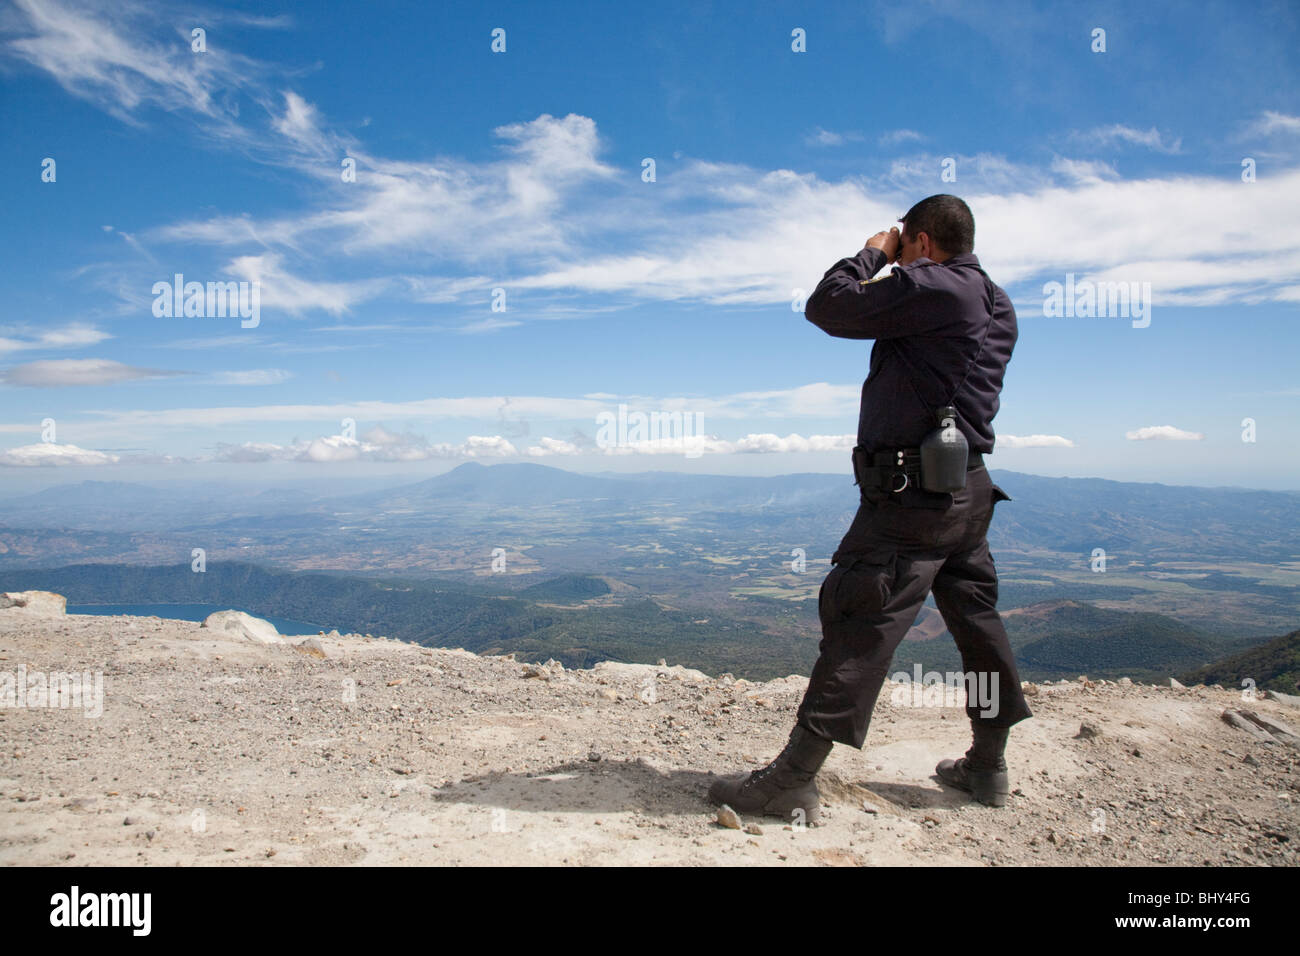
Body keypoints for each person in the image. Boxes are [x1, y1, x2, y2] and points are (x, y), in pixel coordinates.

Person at [707, 194, 1032, 823]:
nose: (898, 264)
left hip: (913, 503)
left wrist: (872, 252)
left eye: (906, 249)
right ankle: (988, 765)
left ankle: (790, 780)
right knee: (978, 626)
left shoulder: (936, 287)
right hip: (968, 492)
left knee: (862, 621)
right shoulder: (997, 301)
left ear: (924, 243)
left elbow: (828, 306)